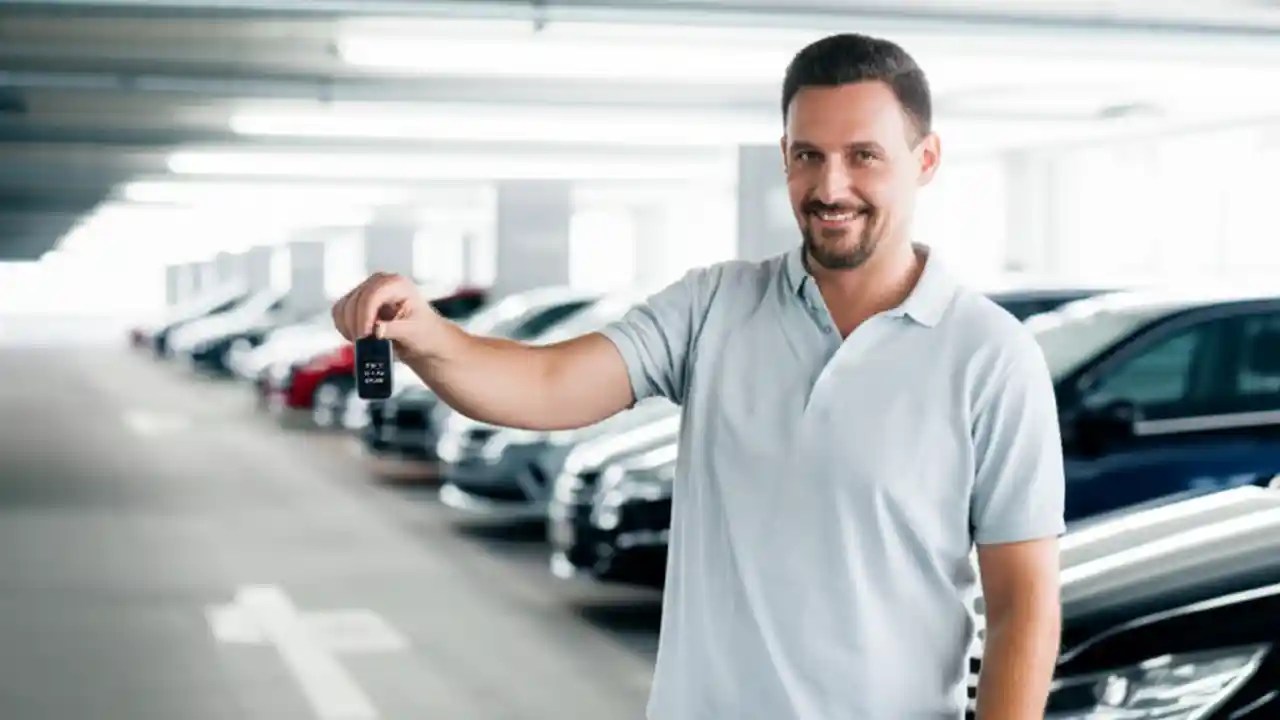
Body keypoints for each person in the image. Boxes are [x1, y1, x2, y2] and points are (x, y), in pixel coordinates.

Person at [333, 32, 1064, 720]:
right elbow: (550, 385)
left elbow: (1023, 603)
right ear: (784, 157)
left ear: (926, 159)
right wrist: (430, 339)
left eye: (863, 155)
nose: (830, 185)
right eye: (808, 155)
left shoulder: (992, 357)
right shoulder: (714, 305)